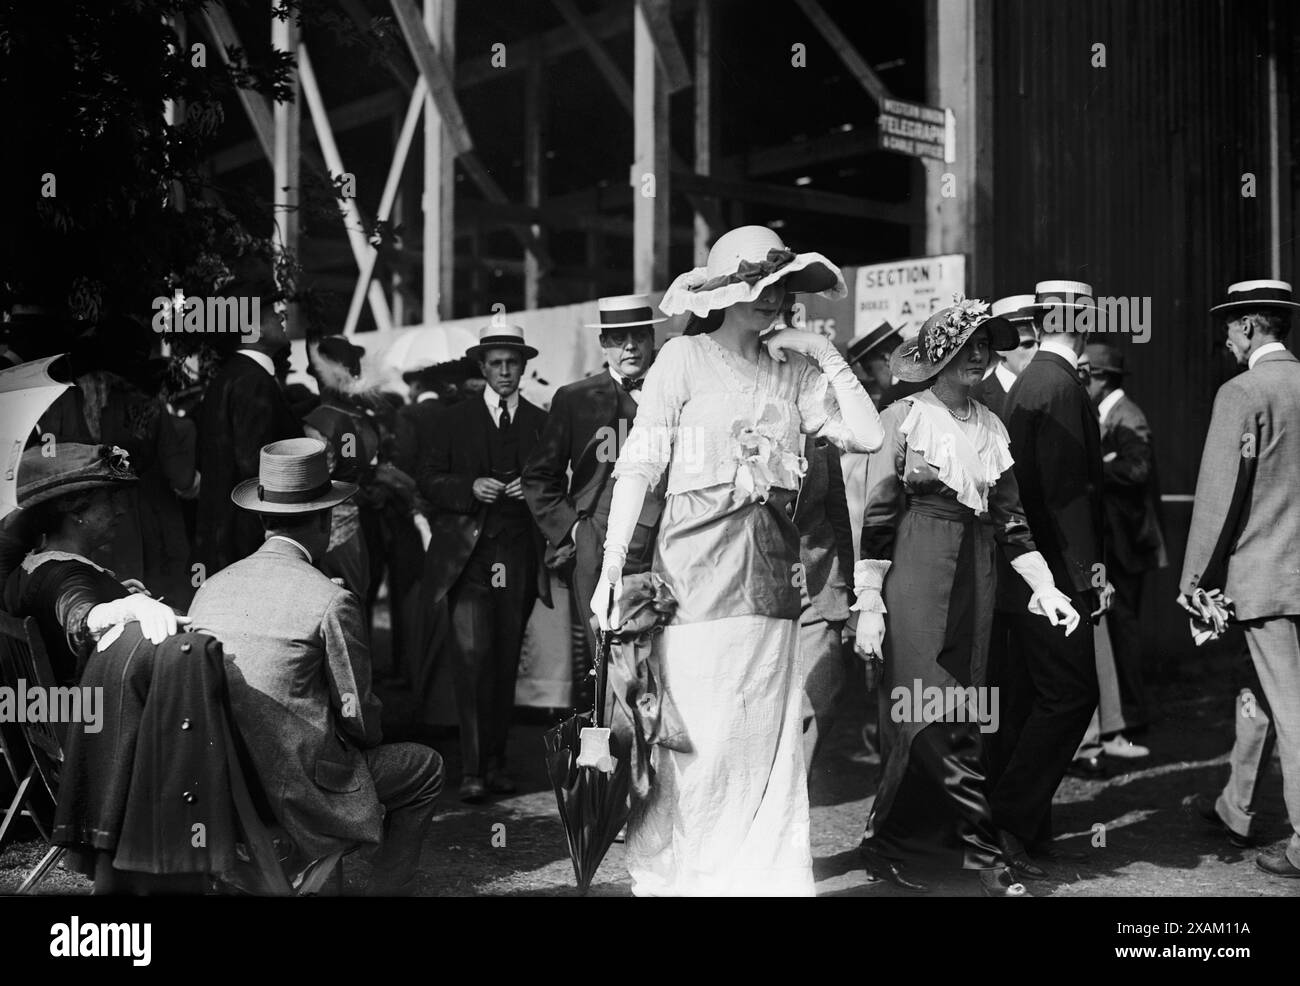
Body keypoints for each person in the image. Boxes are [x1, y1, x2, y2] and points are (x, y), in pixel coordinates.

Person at [590, 225, 883, 896]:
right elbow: (638, 465)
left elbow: (866, 435)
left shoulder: (795, 372)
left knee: (763, 744)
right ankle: (684, 878)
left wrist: (821, 350)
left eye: (779, 289)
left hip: (773, 588)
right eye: (757, 289)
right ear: (723, 294)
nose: (771, 300)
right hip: (694, 582)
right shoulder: (683, 359)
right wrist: (611, 568)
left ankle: (759, 880)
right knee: (700, 738)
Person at [852, 301, 1079, 897]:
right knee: (923, 709)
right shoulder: (901, 418)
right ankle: (985, 859)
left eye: (987, 345)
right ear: (940, 355)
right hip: (917, 572)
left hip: (977, 573)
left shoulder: (992, 427)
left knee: (965, 712)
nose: (980, 355)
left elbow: (1012, 522)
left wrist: (1046, 587)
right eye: (968, 345)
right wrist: (870, 604)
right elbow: (876, 518)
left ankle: (902, 844)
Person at [187, 438, 443, 895]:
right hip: (297, 787)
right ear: (325, 521)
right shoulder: (330, 597)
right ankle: (386, 890)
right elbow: (360, 718)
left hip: (220, 781)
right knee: (425, 767)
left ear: (263, 518)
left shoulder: (210, 588)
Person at [983, 279, 1111, 880]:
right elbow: (1065, 497)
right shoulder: (1058, 385)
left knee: (1032, 696)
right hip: (1051, 576)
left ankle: (1020, 827)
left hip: (1026, 571)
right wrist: (1087, 575)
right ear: (1081, 319)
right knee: (1070, 694)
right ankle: (1008, 819)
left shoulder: (1034, 381)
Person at [1179, 278, 1300, 879]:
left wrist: (1194, 579)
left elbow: (1218, 496)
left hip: (1267, 579)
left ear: (1252, 325)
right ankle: (1238, 807)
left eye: (1229, 325)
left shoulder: (1242, 392)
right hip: (1289, 578)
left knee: (1292, 709)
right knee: (1257, 693)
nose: (1224, 337)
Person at [418, 324, 551, 803]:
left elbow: (555, 483)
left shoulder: (540, 421)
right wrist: (469, 489)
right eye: (495, 363)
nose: (504, 372)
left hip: (515, 556)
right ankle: (472, 770)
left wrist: (531, 492)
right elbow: (429, 480)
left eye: (512, 363)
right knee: (471, 662)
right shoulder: (453, 421)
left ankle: (496, 764)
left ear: (524, 366)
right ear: (482, 367)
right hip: (467, 559)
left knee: (503, 663)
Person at [523, 295, 667, 708]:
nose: (630, 348)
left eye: (639, 336)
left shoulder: (673, 392)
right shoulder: (575, 398)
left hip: (671, 537)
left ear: (652, 338)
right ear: (603, 343)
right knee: (607, 658)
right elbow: (539, 475)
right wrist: (573, 530)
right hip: (599, 541)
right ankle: (610, 761)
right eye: (619, 339)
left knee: (670, 658)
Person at [2, 444, 185, 685]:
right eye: (110, 499)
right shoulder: (65, 576)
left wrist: (113, 593)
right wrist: (129, 606)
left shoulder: (34, 568)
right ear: (74, 509)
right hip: (98, 716)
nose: (121, 510)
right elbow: (80, 618)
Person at [1082, 341, 1167, 752]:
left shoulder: (1127, 415)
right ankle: (1124, 716)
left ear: (1103, 378)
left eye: (1088, 378)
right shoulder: (1109, 414)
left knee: (1124, 631)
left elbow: (1137, 469)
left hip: (1127, 543)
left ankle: (1131, 717)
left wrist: (1097, 465)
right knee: (1116, 630)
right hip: (1117, 542)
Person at [193, 298, 301, 578]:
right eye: (270, 313)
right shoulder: (254, 381)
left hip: (222, 535)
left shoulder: (228, 377)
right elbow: (255, 465)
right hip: (249, 539)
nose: (281, 317)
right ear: (251, 327)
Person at [971, 294, 1038, 421]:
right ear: (1001, 348)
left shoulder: (1049, 388)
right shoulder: (976, 398)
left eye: (1041, 344)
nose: (1038, 352)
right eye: (1027, 345)